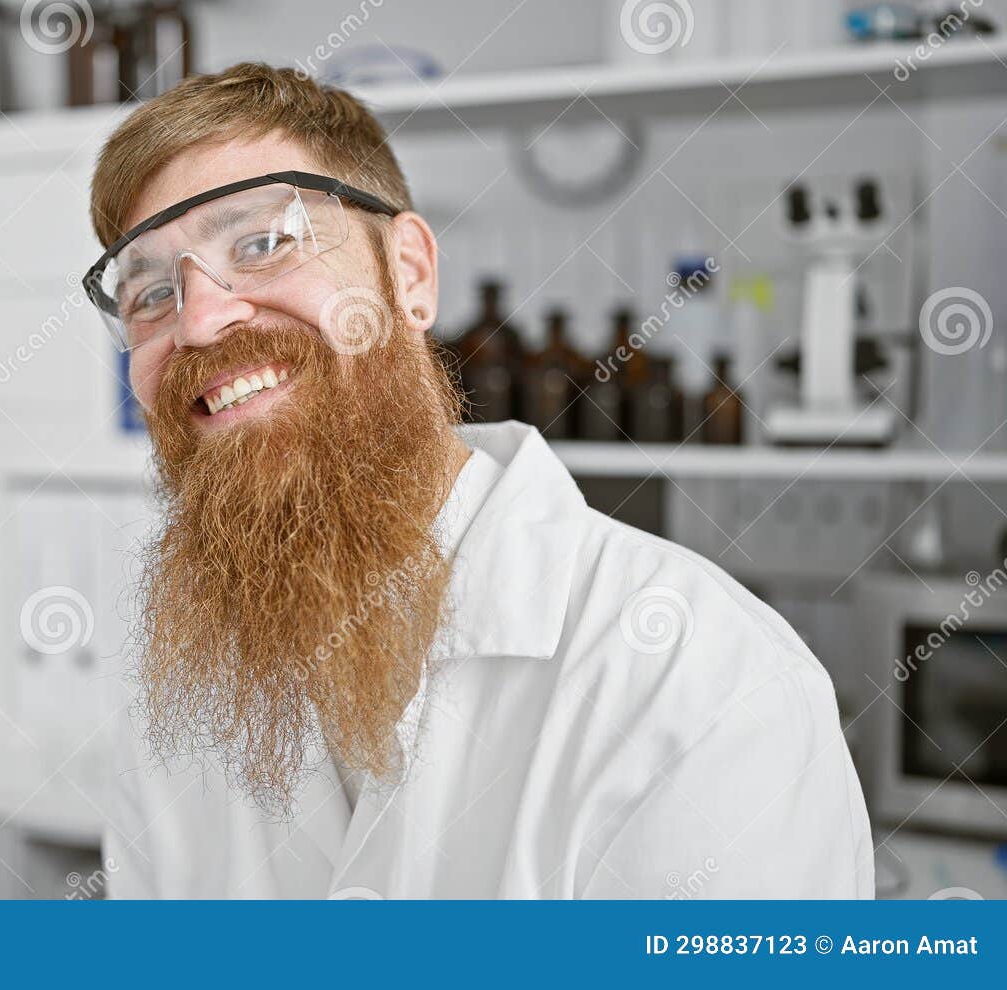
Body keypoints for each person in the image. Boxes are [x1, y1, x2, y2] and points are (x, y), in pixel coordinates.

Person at [83, 62, 873, 898]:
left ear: (410, 275)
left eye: (262, 243)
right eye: (150, 293)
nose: (199, 320)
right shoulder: (180, 704)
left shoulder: (701, 682)